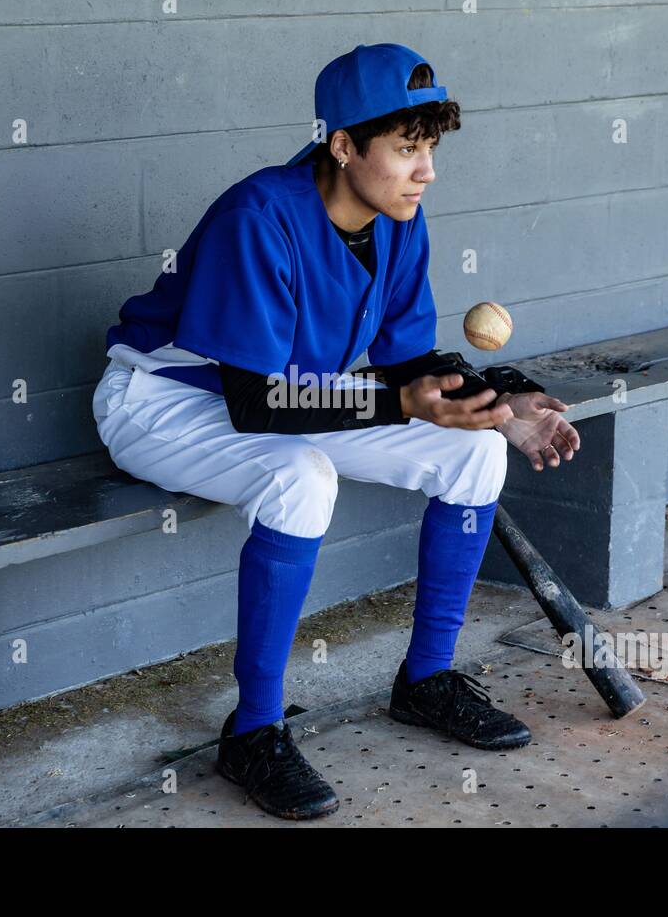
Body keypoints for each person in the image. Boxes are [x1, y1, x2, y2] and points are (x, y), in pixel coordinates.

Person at [92, 43, 580, 819]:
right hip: (164, 398)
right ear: (343, 145)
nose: (426, 171)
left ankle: (425, 680)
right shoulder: (261, 213)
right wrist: (406, 401)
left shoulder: (399, 219)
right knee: (301, 477)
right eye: (406, 148)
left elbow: (407, 362)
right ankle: (252, 731)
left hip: (290, 391)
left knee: (474, 451)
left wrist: (504, 399)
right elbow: (256, 404)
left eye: (430, 148)